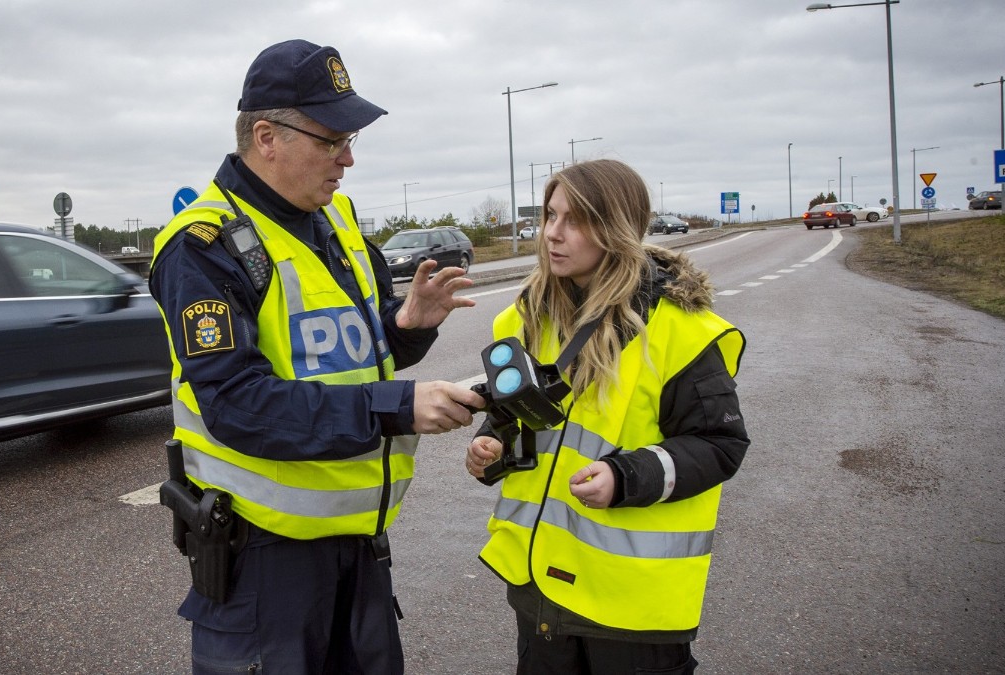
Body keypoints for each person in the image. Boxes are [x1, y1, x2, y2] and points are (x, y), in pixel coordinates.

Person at [149, 39, 485, 674]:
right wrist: (399, 407)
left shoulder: (338, 218)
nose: (348, 159)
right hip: (266, 564)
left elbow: (348, 354)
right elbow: (238, 404)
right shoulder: (204, 244)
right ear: (268, 136)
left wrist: (405, 326)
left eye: (351, 140)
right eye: (332, 140)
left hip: (358, 548)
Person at [465, 159, 750, 674]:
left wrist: (626, 476)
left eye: (574, 220)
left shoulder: (681, 331)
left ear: (615, 228)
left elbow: (719, 444)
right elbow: (524, 416)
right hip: (540, 591)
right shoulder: (525, 317)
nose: (552, 233)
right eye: (550, 216)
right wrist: (495, 445)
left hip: (630, 607)